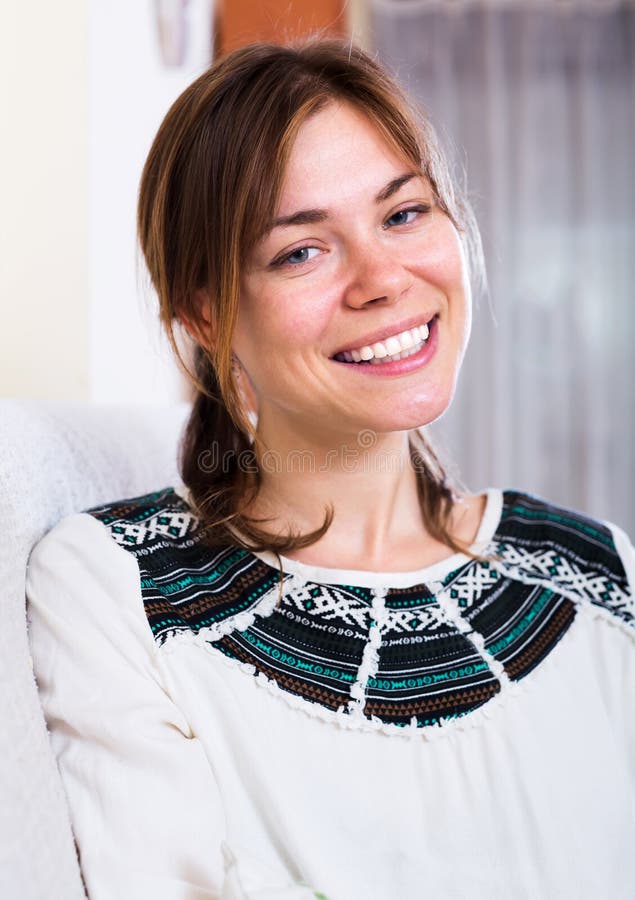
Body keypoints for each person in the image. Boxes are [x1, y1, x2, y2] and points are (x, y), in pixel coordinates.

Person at [27, 39, 634, 900]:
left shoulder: (594, 570)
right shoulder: (117, 586)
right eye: (301, 251)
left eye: (403, 213)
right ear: (205, 311)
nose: (383, 278)